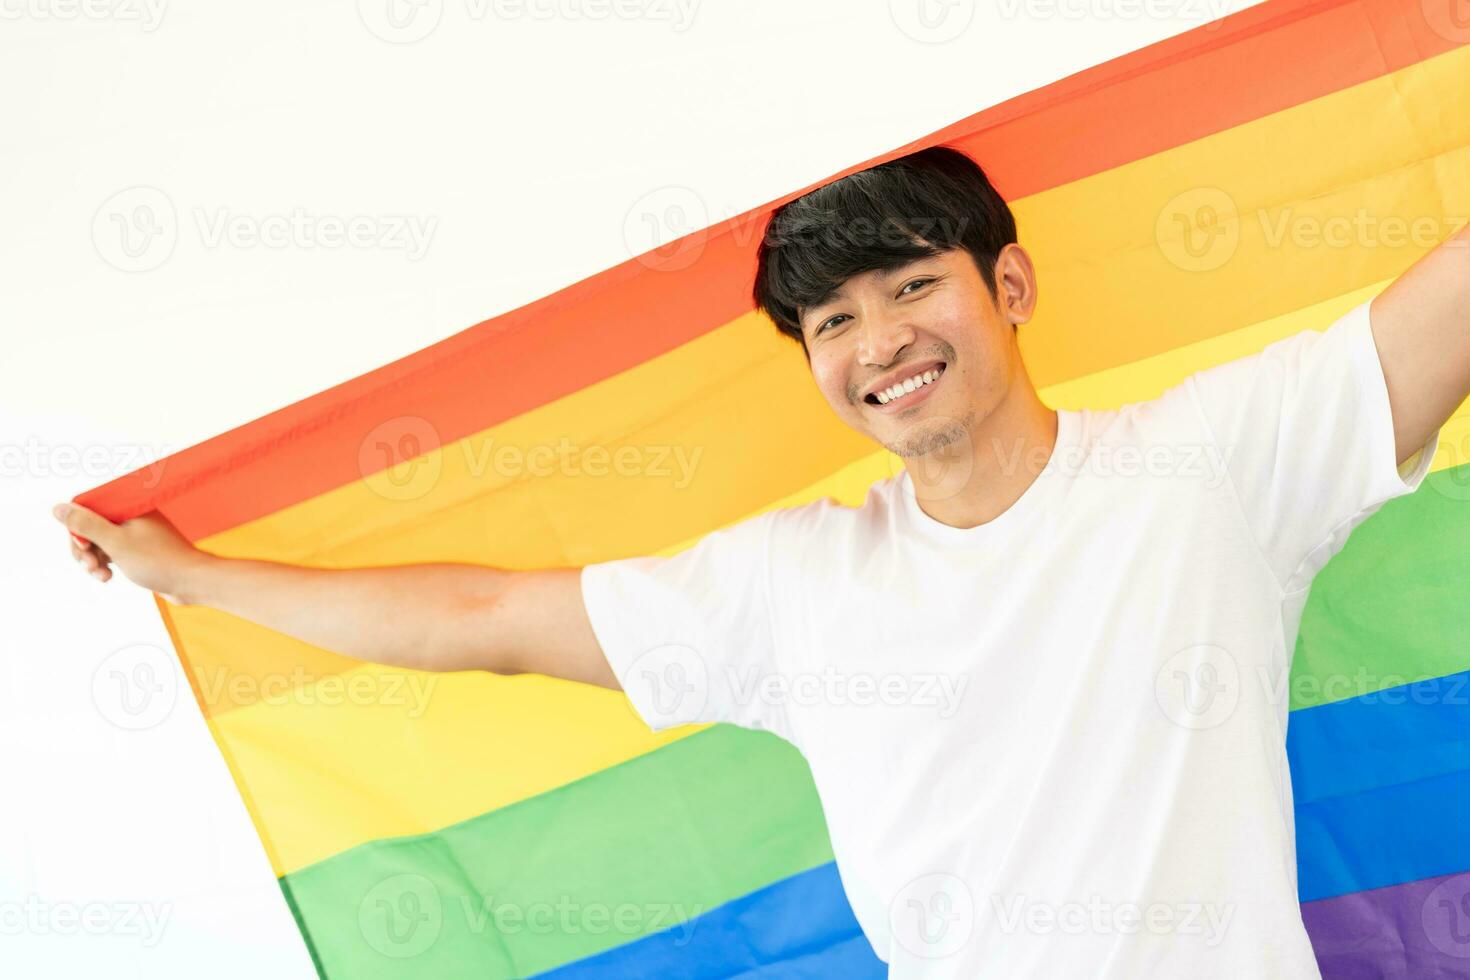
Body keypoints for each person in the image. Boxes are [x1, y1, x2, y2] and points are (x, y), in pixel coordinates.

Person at [52, 146, 1467, 977]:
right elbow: (484, 615)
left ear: (1009, 290)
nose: (881, 342)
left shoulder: (1208, 468)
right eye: (832, 321)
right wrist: (195, 577)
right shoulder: (794, 589)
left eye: (914, 284)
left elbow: (1427, 325)